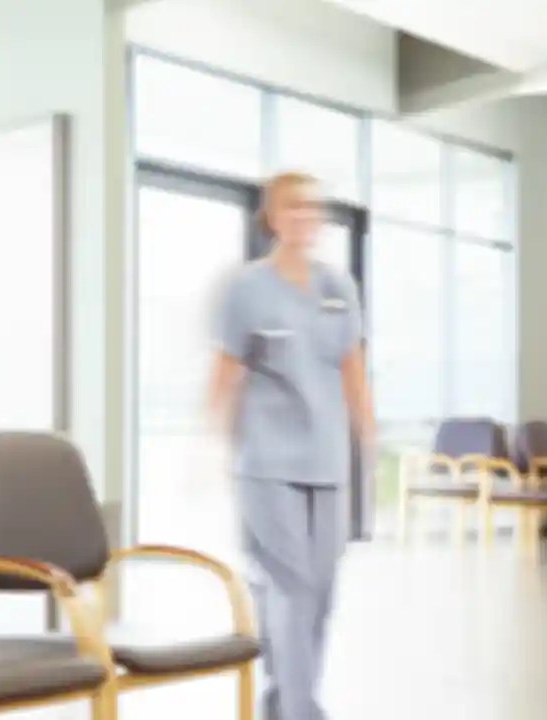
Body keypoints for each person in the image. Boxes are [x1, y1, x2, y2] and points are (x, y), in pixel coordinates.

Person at [208, 172, 374, 720]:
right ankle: (303, 711)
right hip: (266, 461)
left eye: (314, 207)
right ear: (273, 217)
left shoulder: (338, 286)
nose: (306, 215)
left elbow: (352, 366)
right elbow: (227, 370)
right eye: (294, 206)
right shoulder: (247, 288)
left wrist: (368, 435)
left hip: (327, 459)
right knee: (292, 585)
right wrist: (211, 446)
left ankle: (284, 704)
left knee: (321, 593)